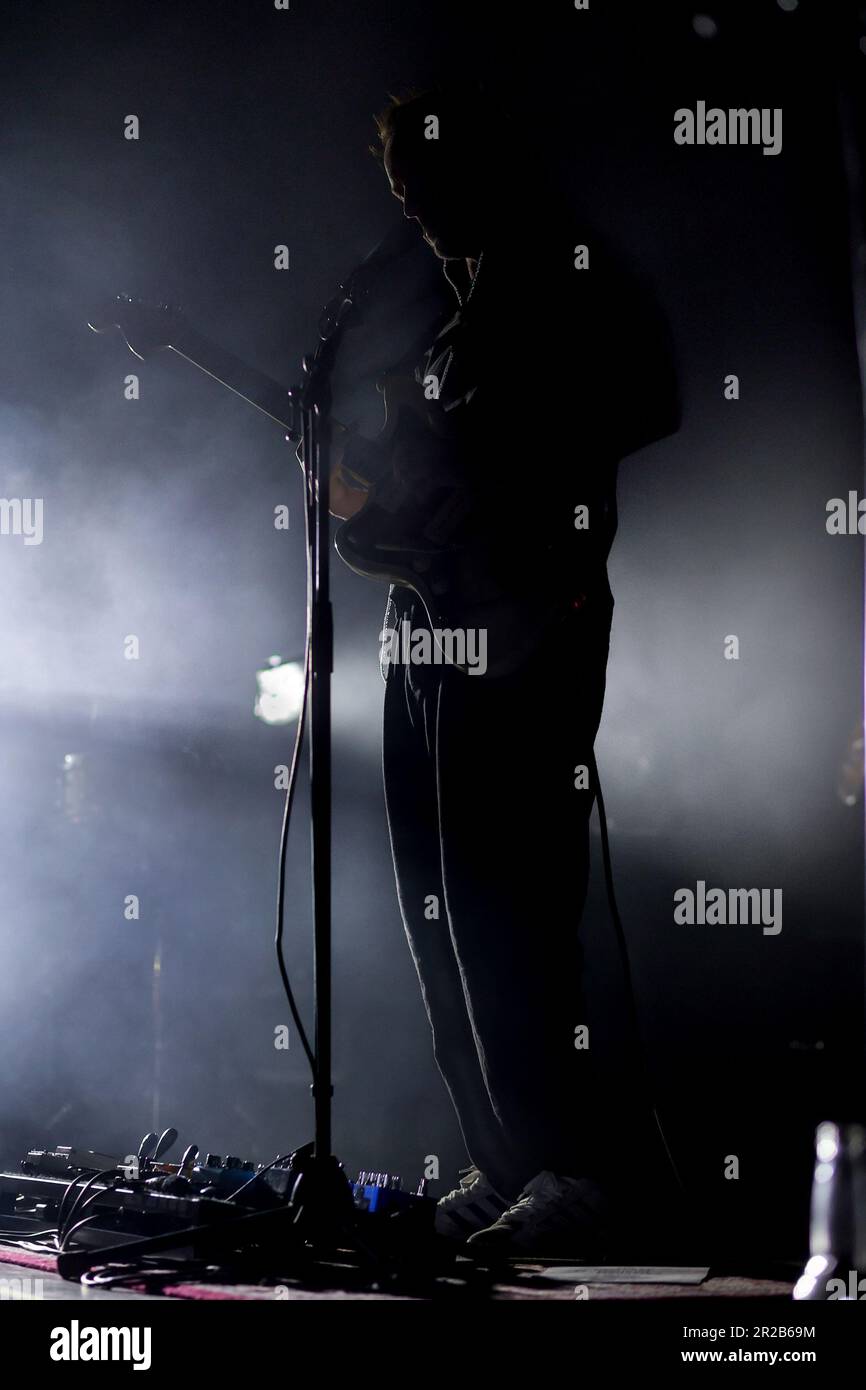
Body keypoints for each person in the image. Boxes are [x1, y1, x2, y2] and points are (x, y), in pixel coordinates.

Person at [329, 84, 680, 1254]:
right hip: (424, 639)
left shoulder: (565, 269)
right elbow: (420, 505)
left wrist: (510, 478)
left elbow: (649, 393)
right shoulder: (443, 306)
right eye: (400, 195)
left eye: (429, 186)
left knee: (514, 909)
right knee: (436, 913)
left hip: (524, 633)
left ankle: (584, 1166)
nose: (416, 214)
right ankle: (507, 1157)